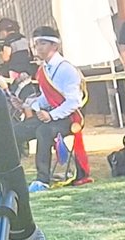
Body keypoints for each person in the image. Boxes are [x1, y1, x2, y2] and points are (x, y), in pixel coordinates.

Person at [25, 26, 89, 194]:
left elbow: (73, 102)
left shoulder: (66, 69)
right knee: (17, 130)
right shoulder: (43, 69)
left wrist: (51, 115)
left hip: (70, 118)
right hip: (52, 115)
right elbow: (47, 98)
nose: (38, 47)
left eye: (43, 43)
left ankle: (42, 180)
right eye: (37, 44)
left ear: (55, 46)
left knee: (44, 131)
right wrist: (29, 105)